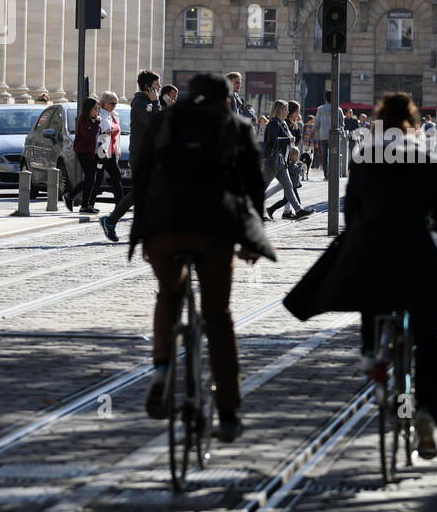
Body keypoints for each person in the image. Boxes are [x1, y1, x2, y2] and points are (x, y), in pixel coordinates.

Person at [284, 92, 437, 460]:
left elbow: (351, 208)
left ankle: (371, 353)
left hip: (374, 251)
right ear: (413, 121)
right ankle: (426, 414)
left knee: (370, 287)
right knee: (428, 339)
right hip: (419, 254)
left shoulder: (365, 156)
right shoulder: (424, 154)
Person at [130, 72, 275, 442]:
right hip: (215, 228)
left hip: (166, 225)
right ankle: (227, 413)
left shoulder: (166, 119)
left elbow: (143, 174)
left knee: (169, 292)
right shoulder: (237, 126)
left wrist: (146, 233)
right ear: (227, 99)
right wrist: (252, 240)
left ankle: (162, 367)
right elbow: (253, 189)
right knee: (218, 316)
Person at [101, 71, 160, 242]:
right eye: (156, 85)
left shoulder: (149, 102)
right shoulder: (139, 103)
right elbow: (152, 123)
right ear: (148, 87)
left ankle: (115, 222)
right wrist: (156, 103)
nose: (159, 88)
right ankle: (111, 221)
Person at [262, 100, 309, 219]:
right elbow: (272, 140)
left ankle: (299, 210)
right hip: (273, 161)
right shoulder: (274, 123)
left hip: (281, 161)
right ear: (279, 110)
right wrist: (288, 139)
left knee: (288, 187)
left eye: (288, 109)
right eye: (285, 109)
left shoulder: (281, 123)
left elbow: (291, 139)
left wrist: (293, 133)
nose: (287, 111)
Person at [90, 91, 124, 211]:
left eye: (116, 103)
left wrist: (117, 149)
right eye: (112, 103)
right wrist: (102, 152)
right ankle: (87, 202)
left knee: (115, 176)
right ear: (104, 103)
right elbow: (103, 133)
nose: (114, 106)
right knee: (98, 178)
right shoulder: (101, 115)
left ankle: (120, 204)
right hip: (102, 149)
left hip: (111, 149)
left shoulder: (113, 114)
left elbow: (116, 134)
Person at [314, 91, 335, 175]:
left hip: (322, 136)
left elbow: (316, 123)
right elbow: (341, 123)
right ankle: (332, 173)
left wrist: (315, 134)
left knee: (324, 155)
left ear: (325, 98)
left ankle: (325, 174)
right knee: (333, 154)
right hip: (334, 137)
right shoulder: (337, 109)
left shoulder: (320, 109)